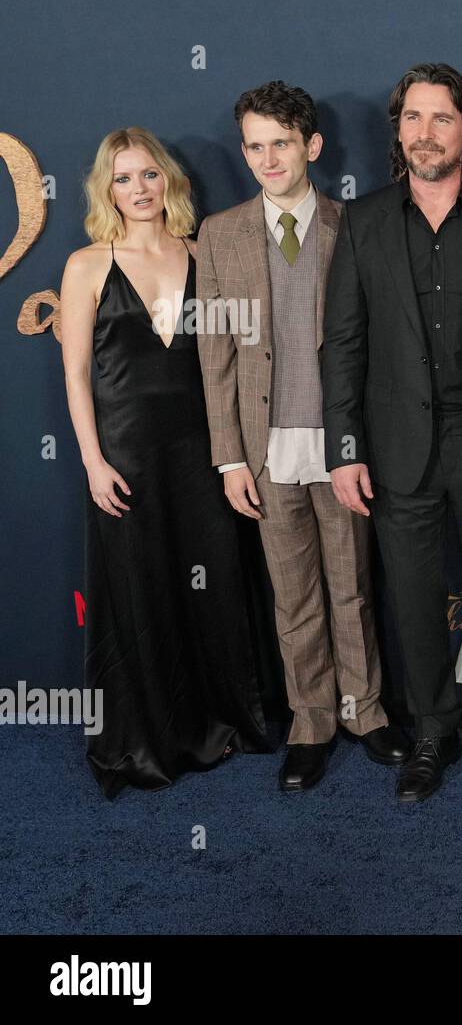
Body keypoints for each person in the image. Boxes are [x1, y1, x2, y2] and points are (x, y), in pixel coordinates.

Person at [321, 63, 462, 802]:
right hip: (397, 448)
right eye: (413, 119)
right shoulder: (360, 225)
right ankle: (432, 732)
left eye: (441, 119)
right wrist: (345, 450)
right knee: (416, 597)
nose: (425, 133)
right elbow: (344, 346)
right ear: (398, 132)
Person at [196, 81, 408, 793]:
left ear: (311, 147)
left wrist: (366, 442)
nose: (266, 158)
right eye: (254, 146)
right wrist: (230, 457)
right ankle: (311, 722)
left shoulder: (357, 226)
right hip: (264, 448)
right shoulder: (219, 235)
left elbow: (380, 347)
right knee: (294, 597)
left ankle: (366, 711)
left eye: (280, 143)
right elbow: (215, 354)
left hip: (341, 446)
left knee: (350, 587)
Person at [59, 127, 271, 799]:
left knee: (212, 588)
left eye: (149, 175)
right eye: (124, 179)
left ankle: (217, 722)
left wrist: (233, 451)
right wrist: (93, 461)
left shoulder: (203, 254)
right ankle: (149, 734)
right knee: (139, 592)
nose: (139, 190)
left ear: (169, 182)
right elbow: (74, 376)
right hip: (126, 456)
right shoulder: (87, 265)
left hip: (202, 451)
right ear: (107, 190)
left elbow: (235, 361)